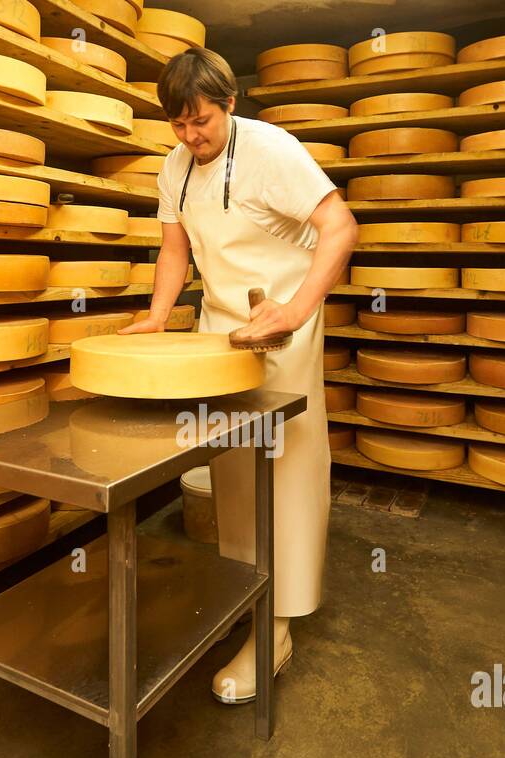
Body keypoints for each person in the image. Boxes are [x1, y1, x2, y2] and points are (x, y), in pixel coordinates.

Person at [118, 47, 359, 704]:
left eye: (202, 121)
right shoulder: (174, 166)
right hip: (220, 333)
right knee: (232, 474)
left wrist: (296, 310)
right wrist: (158, 315)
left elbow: (340, 227)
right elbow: (175, 248)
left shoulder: (272, 151)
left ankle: (277, 627)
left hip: (281, 323)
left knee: (283, 474)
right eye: (179, 124)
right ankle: (244, 599)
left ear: (230, 104)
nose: (192, 136)